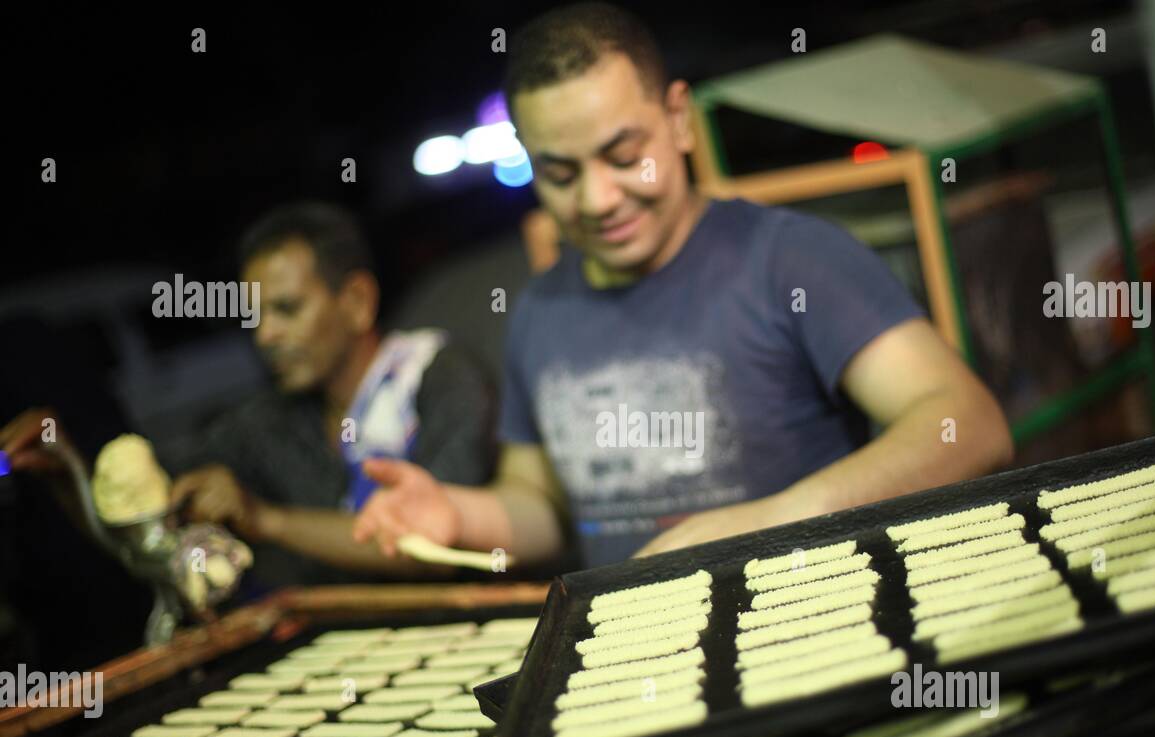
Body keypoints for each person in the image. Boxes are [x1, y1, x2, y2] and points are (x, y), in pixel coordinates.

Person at [354, 3, 1013, 569]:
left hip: (808, 622)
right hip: (644, 660)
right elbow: (543, 505)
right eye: (560, 174)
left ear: (678, 119)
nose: (598, 198)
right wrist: (456, 513)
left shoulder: (790, 259)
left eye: (623, 156)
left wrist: (774, 520)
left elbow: (968, 422)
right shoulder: (540, 311)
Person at [1, 202, 498, 585]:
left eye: (286, 309)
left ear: (357, 302)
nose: (265, 335)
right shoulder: (267, 422)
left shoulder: (439, 379)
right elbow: (152, 533)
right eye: (255, 316)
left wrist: (267, 519)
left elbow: (430, 556)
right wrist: (70, 471)